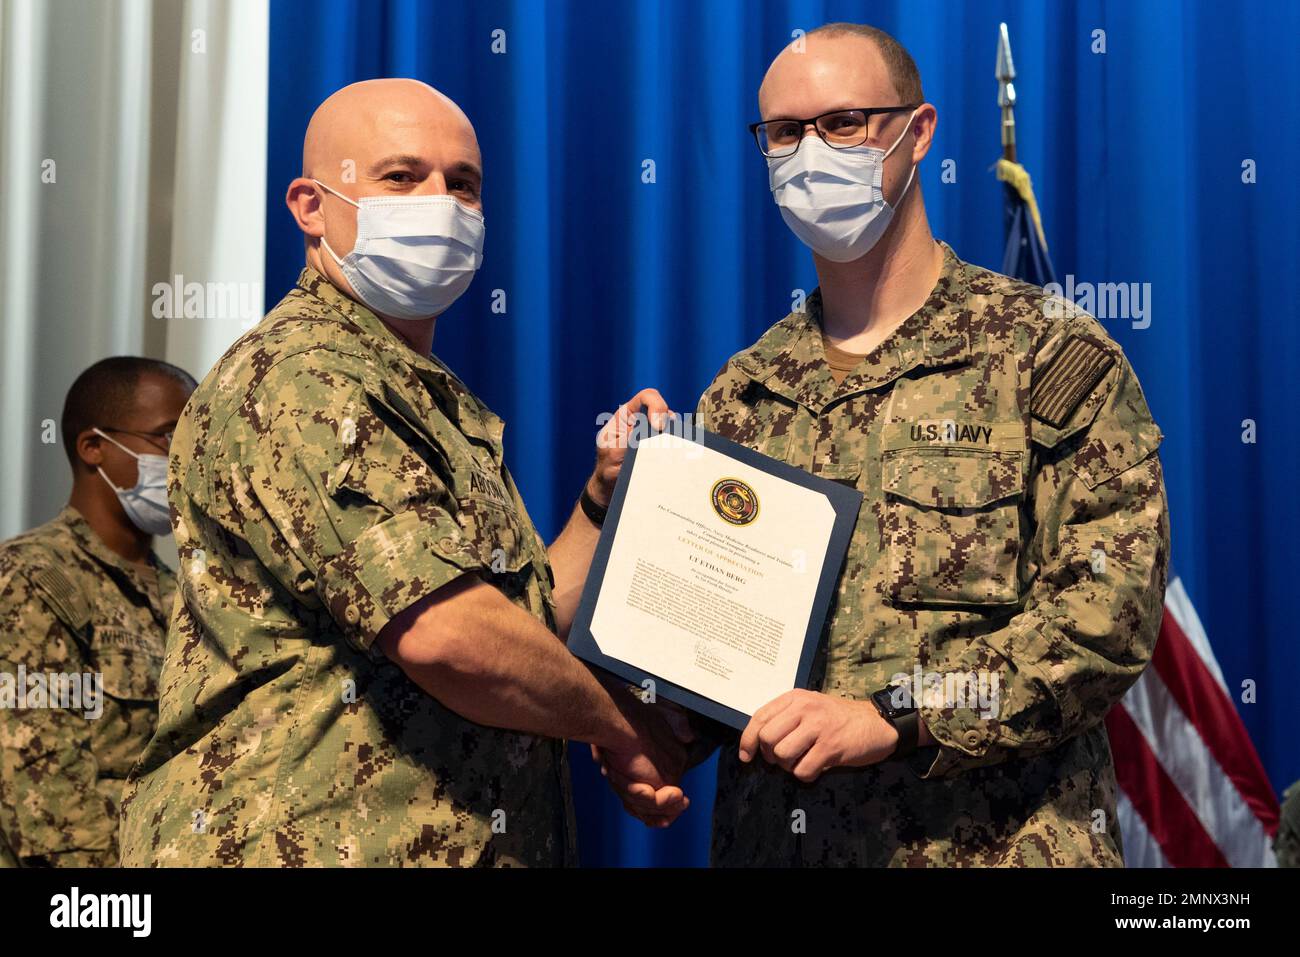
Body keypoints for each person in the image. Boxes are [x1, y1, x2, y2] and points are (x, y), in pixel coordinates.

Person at [600, 22, 1169, 867]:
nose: (809, 154)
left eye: (843, 123)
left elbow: (1105, 617)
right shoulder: (742, 393)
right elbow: (723, 662)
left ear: (918, 130)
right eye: (784, 134)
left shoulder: (1045, 354)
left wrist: (896, 713)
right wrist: (657, 732)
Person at [119, 79, 686, 868]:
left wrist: (598, 506)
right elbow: (447, 636)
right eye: (401, 176)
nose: (440, 202)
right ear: (311, 207)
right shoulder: (305, 374)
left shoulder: (419, 391)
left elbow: (507, 623)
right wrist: (622, 726)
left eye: (463, 184)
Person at [0, 357, 194, 866]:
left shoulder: (184, 596)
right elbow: (42, 792)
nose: (186, 460)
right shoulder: (32, 579)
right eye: (168, 438)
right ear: (93, 447)